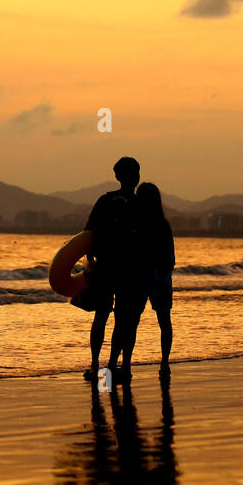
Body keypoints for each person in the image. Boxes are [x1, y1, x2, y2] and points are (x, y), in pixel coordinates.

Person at [82, 157, 145, 384]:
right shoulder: (141, 204)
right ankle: (117, 367)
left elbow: (87, 231)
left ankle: (95, 365)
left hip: (106, 268)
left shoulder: (105, 200)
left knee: (101, 316)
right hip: (131, 271)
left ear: (117, 176)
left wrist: (90, 260)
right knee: (124, 319)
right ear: (137, 177)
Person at [135, 183, 175, 377]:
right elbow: (171, 258)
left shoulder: (137, 224)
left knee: (131, 320)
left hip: (141, 276)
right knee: (164, 321)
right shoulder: (163, 224)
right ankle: (165, 363)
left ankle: (123, 364)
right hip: (161, 277)